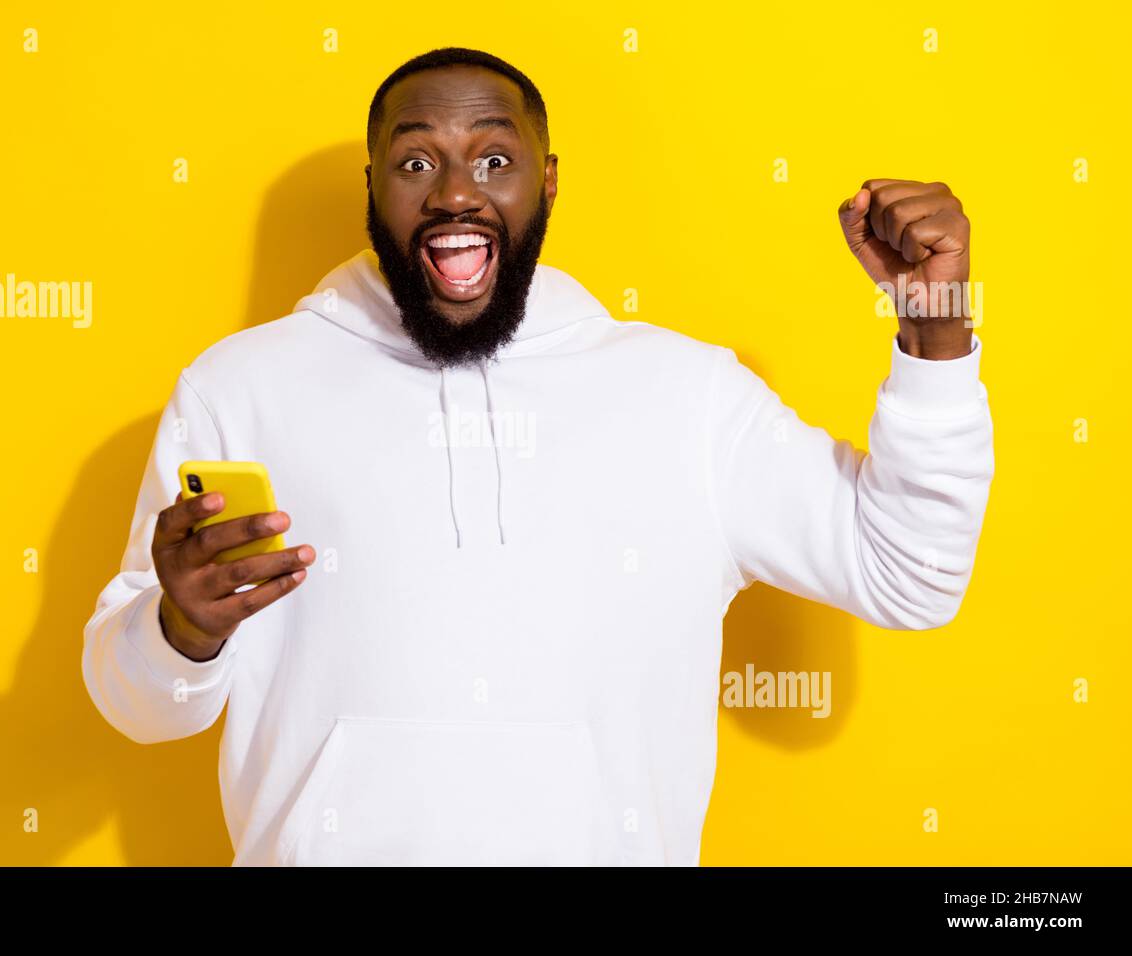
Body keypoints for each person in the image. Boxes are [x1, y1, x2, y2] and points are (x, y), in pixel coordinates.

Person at [82, 47, 993, 866]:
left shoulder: (688, 395)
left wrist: (937, 325)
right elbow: (138, 708)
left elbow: (911, 576)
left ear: (548, 182)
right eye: (414, 163)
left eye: (494, 159)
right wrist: (182, 629)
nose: (455, 194)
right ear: (372, 188)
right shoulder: (242, 388)